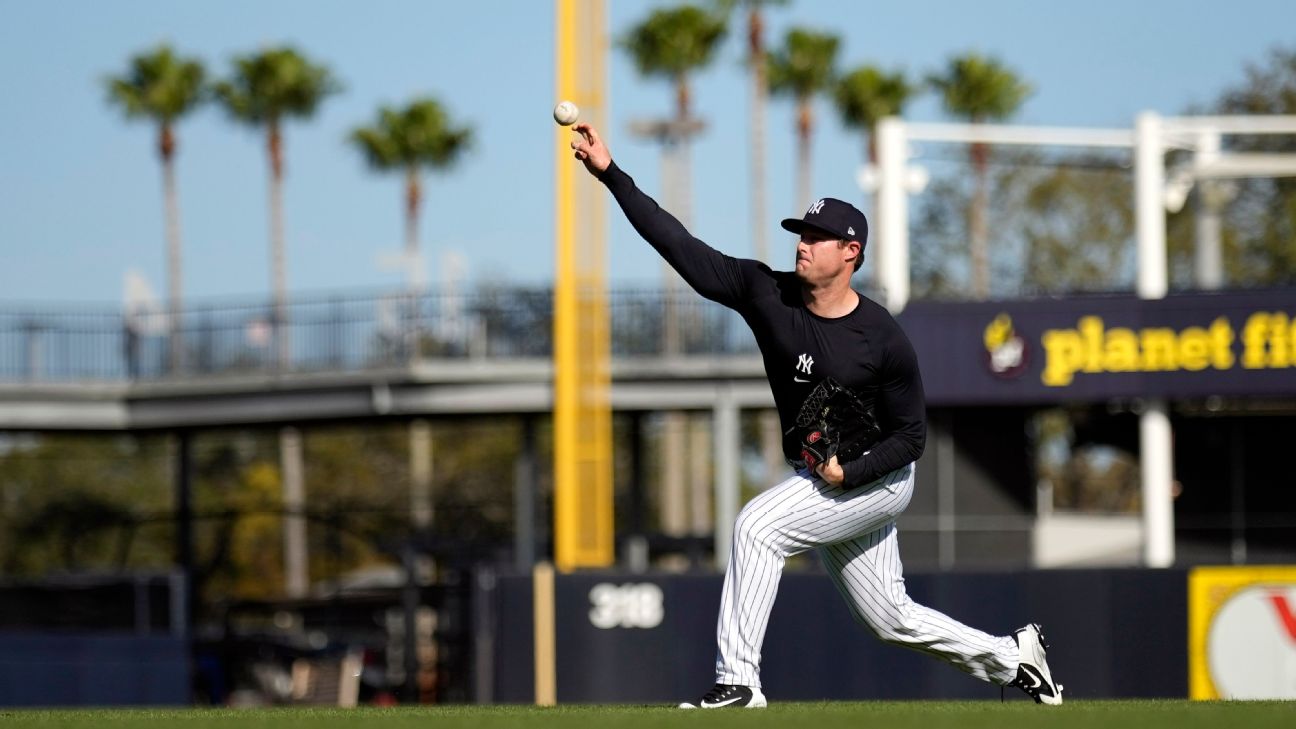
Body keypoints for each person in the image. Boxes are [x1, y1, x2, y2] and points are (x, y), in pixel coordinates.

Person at [569, 122, 1064, 708]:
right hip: (826, 478)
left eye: (818, 236)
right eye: (801, 232)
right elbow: (679, 245)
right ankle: (1015, 659)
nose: (803, 242)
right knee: (890, 619)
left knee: (758, 527)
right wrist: (610, 174)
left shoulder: (882, 339)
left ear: (851, 251)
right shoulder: (765, 294)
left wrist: (849, 476)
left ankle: (739, 682)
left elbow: (912, 437)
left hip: (878, 479)